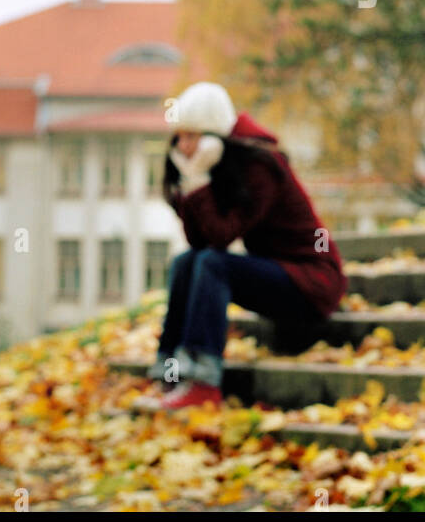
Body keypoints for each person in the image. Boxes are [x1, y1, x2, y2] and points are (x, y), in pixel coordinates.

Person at [146, 81, 347, 409]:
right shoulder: (220, 167)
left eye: (192, 136)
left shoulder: (261, 166)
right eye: (179, 136)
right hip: (280, 275)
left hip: (312, 282)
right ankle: (170, 376)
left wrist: (197, 184)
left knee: (212, 263)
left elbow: (222, 238)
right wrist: (194, 184)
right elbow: (200, 240)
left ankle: (203, 382)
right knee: (187, 261)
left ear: (214, 138)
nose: (182, 146)